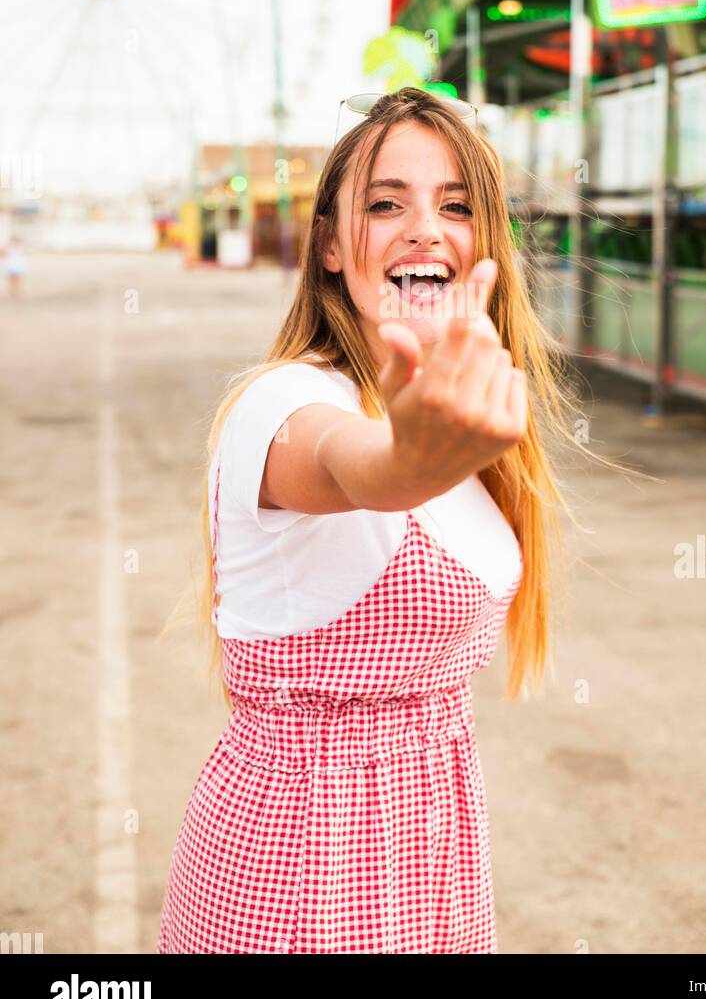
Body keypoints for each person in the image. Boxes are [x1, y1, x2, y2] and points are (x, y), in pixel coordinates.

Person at [157, 87, 581, 955]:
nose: (426, 229)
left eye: (456, 205)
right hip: (297, 869)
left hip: (437, 851)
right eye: (386, 203)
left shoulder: (477, 428)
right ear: (328, 246)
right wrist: (409, 463)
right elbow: (357, 467)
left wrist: (435, 444)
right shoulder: (283, 401)